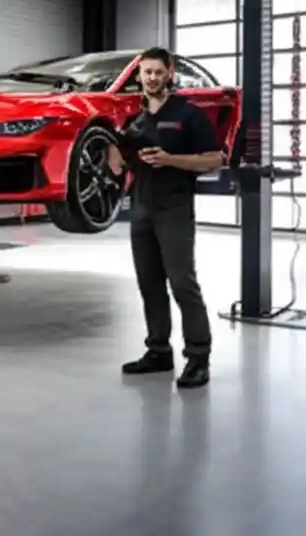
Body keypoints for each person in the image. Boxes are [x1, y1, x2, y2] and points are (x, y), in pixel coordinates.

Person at [107, 47, 225, 389]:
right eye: (147, 73)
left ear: (170, 73)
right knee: (150, 285)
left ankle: (199, 358)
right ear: (139, 76)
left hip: (174, 209)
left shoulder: (189, 115)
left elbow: (215, 159)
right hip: (141, 208)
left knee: (182, 283)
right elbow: (120, 154)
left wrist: (172, 159)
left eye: (159, 72)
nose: (152, 78)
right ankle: (158, 351)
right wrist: (113, 151)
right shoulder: (136, 120)